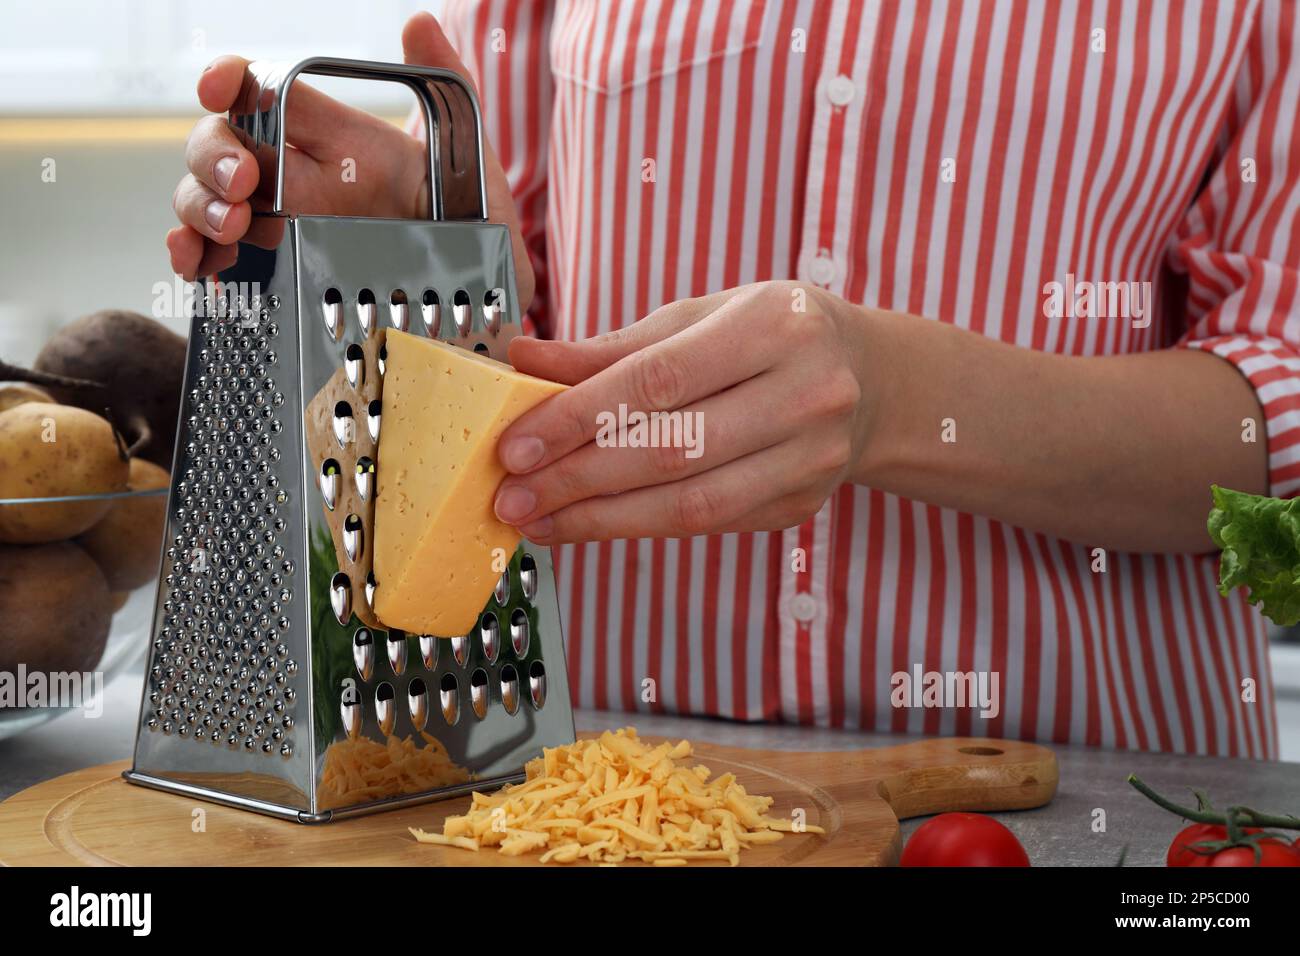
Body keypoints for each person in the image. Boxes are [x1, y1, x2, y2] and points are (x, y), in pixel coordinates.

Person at [167, 2, 1299, 758]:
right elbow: (528, 332)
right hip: (613, 781)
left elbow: (1277, 413)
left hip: (1099, 787)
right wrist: (419, 264)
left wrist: (898, 397)